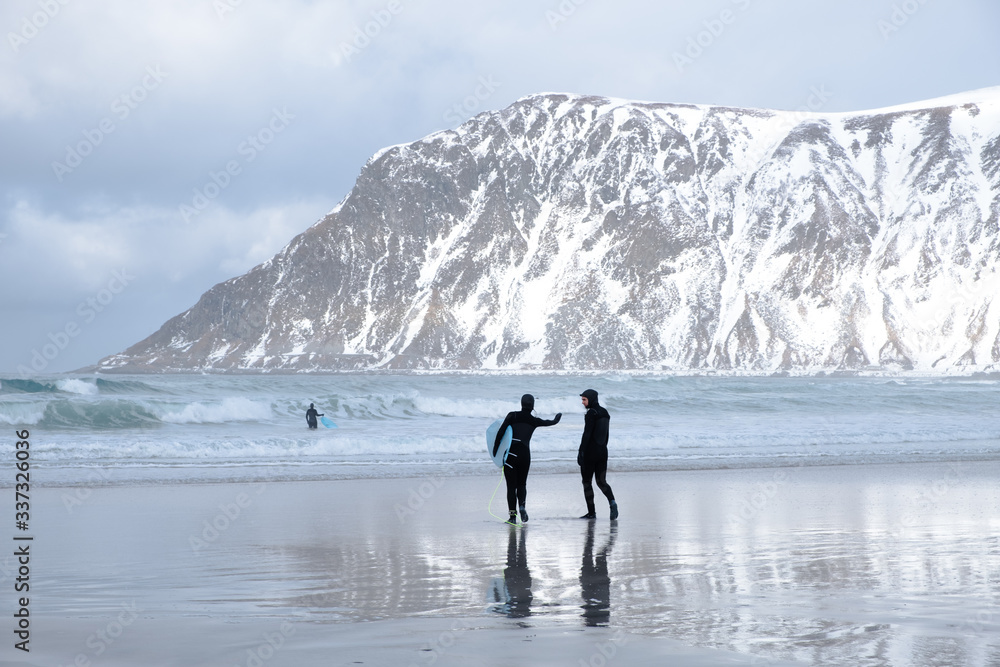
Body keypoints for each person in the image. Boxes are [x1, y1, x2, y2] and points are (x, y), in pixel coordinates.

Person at [493, 394, 561, 524]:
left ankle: (513, 517)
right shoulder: (533, 420)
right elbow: (549, 422)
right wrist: (557, 419)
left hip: (512, 455)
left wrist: (496, 450)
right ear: (532, 406)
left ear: (521, 403)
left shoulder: (512, 416)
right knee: (522, 484)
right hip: (525, 455)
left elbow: (500, 432)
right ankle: (522, 506)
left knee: (511, 487)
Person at [577, 389, 618, 520]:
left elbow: (587, 434)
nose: (582, 402)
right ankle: (612, 502)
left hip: (590, 453)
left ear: (591, 399)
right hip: (602, 452)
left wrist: (581, 452)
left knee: (587, 482)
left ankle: (591, 513)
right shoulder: (605, 413)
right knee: (601, 481)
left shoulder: (591, 413)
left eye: (584, 399)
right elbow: (606, 435)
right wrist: (602, 448)